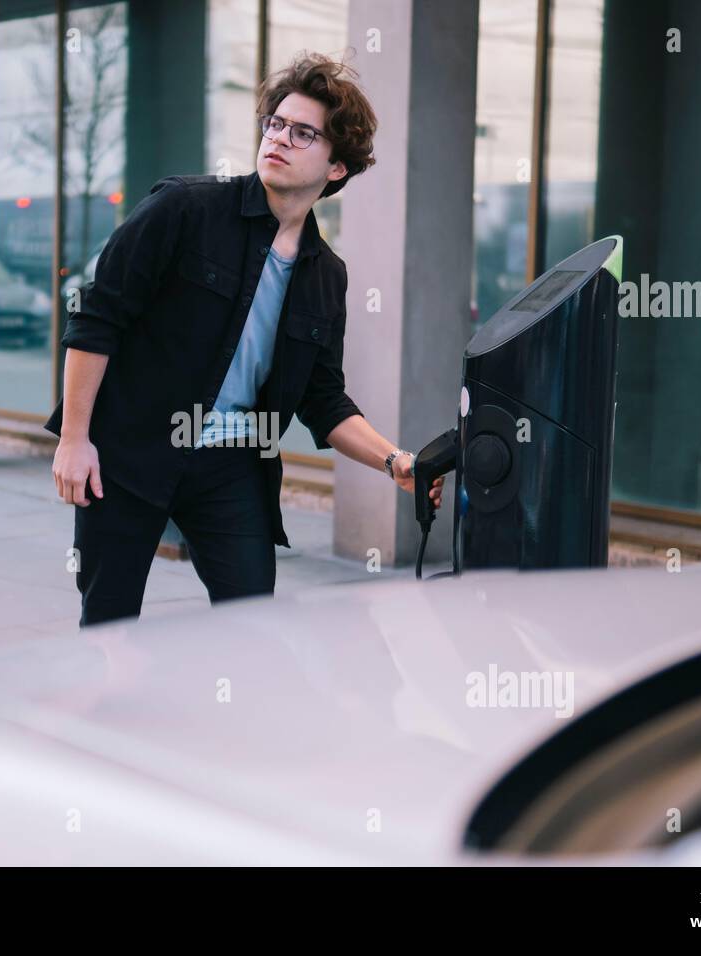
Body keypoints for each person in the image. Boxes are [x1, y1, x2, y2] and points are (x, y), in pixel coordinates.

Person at [45, 52, 444, 627]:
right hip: (131, 452)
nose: (280, 138)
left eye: (303, 133)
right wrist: (75, 440)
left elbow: (323, 398)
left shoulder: (325, 275)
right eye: (275, 124)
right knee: (109, 623)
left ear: (337, 167)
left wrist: (394, 461)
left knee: (251, 625)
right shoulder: (183, 209)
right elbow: (96, 317)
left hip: (233, 466)